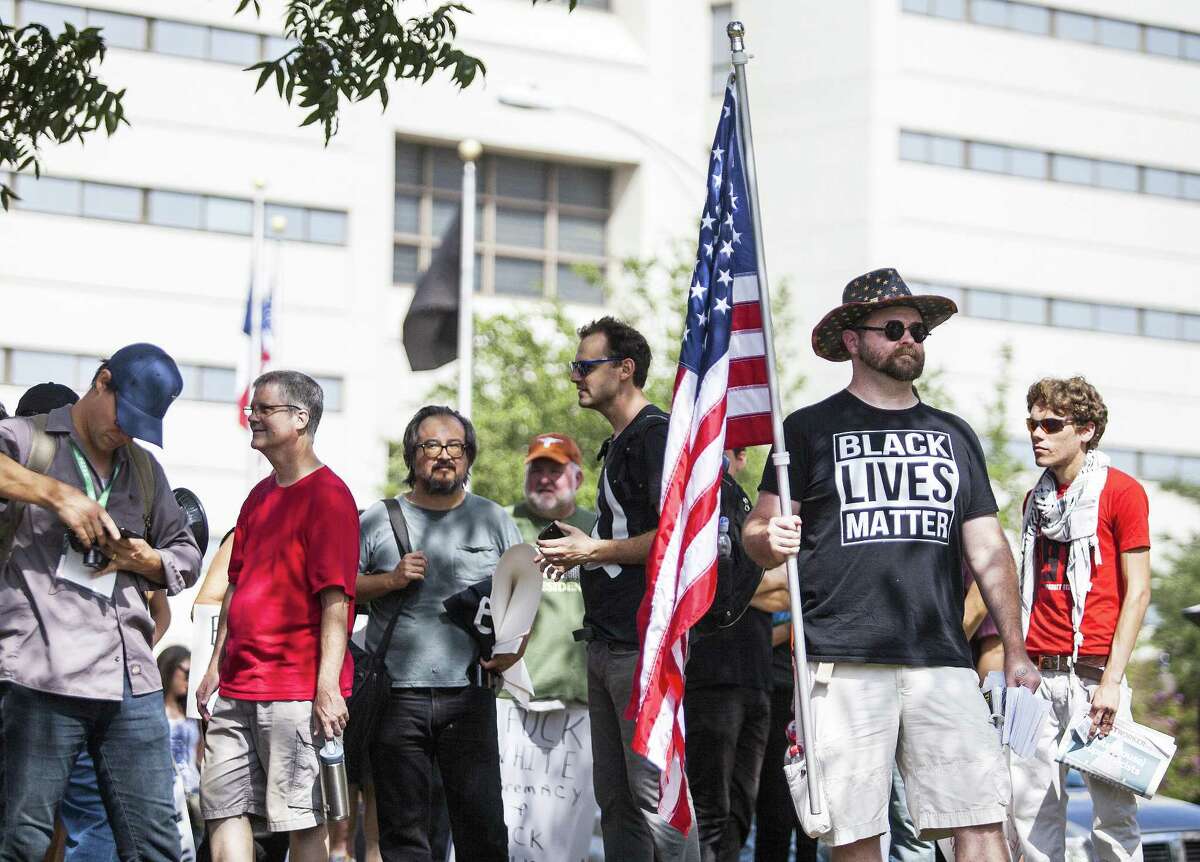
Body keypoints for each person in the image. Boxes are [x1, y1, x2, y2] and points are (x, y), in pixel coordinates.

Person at [741, 269, 1041, 862]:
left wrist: (1016, 649)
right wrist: (765, 535)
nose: (911, 340)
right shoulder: (806, 429)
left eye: (919, 331)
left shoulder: (954, 434)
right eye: (895, 328)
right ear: (853, 340)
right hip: (841, 660)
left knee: (980, 818)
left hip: (941, 658)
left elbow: (988, 548)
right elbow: (758, 531)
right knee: (855, 832)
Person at [0, 343, 202, 861]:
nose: (126, 432)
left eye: (141, 425)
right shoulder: (30, 438)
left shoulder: (144, 469)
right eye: (124, 416)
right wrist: (55, 494)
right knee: (23, 840)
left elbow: (185, 551)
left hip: (129, 680)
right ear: (101, 381)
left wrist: (145, 559)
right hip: (41, 671)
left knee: (157, 842)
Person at [537, 316, 700, 862]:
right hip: (607, 644)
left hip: (644, 648)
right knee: (617, 803)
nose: (575, 376)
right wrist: (581, 553)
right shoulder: (622, 440)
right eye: (574, 367)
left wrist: (594, 551)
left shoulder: (655, 435)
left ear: (625, 369)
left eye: (586, 366)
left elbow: (678, 537)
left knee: (658, 802)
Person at [196, 370, 357, 862]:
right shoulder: (258, 497)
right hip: (238, 686)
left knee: (303, 819)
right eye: (253, 409)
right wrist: (213, 668)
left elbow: (337, 599)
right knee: (221, 808)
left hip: (296, 691)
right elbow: (234, 586)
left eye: (264, 409)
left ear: (300, 419)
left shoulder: (330, 496)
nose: (253, 417)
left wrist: (326, 687)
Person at [356, 405, 523, 862]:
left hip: (469, 695)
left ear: (469, 457)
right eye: (431, 446)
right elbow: (341, 589)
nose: (444, 455)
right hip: (396, 699)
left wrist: (513, 650)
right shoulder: (376, 518)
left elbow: (523, 593)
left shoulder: (493, 519)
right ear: (413, 456)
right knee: (405, 835)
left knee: (483, 831)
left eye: (456, 447)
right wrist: (389, 580)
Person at [1009, 377, 1150, 862]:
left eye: (1051, 424)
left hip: (1094, 680)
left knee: (1114, 818)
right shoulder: (1034, 501)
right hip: (1036, 679)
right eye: (1032, 423)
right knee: (1029, 816)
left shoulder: (1122, 492)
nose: (1037, 434)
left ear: (1086, 430)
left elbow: (1139, 592)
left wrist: (1111, 681)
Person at [503, 432, 598, 859]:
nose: (544, 479)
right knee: (512, 821)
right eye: (537, 469)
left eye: (555, 470)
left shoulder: (600, 529)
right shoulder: (502, 522)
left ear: (576, 478)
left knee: (569, 828)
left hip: (582, 694)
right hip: (511, 696)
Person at [683, 449, 774, 862]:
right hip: (712, 676)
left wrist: (744, 579)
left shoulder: (749, 511)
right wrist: (748, 579)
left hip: (757, 677)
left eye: (733, 450)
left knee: (742, 808)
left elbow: (796, 584)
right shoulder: (699, 506)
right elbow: (712, 585)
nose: (726, 457)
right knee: (709, 807)